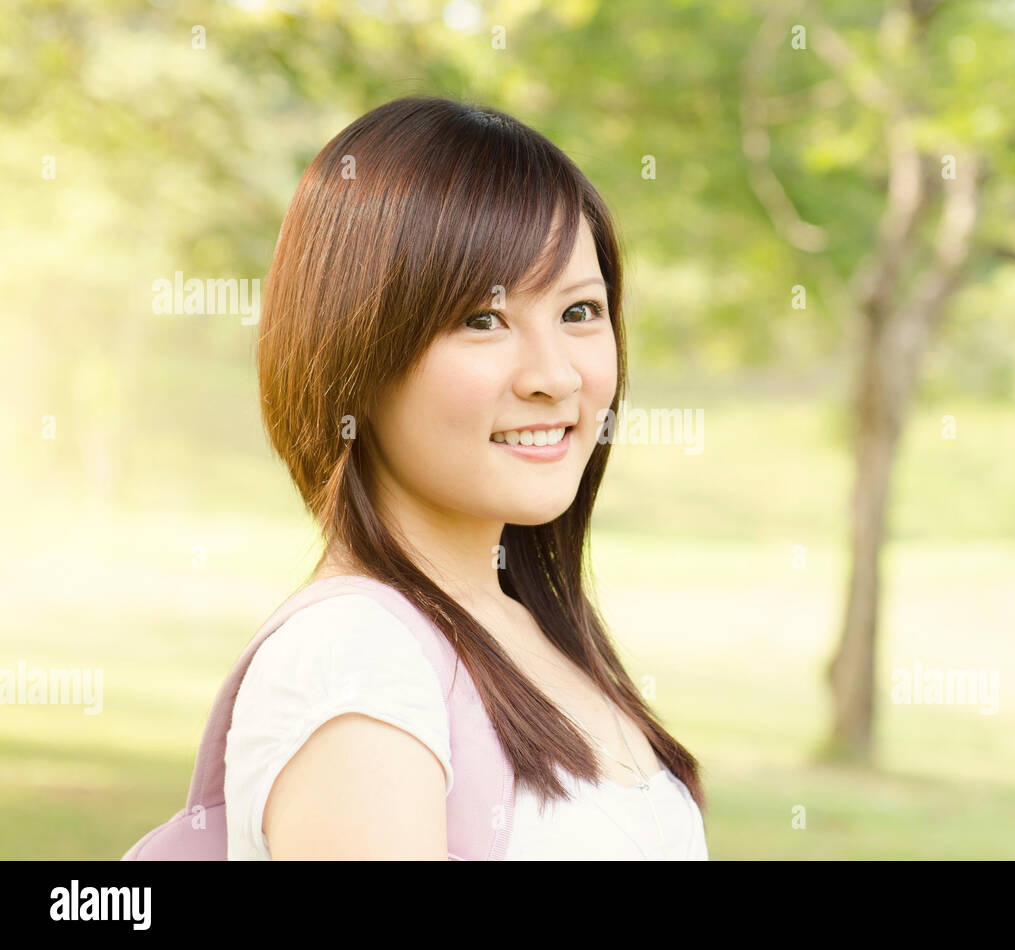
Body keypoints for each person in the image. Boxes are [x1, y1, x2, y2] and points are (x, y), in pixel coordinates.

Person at [224, 96, 708, 860]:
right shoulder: (357, 664)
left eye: (580, 311)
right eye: (483, 321)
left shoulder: (524, 623)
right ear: (354, 353)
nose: (554, 376)